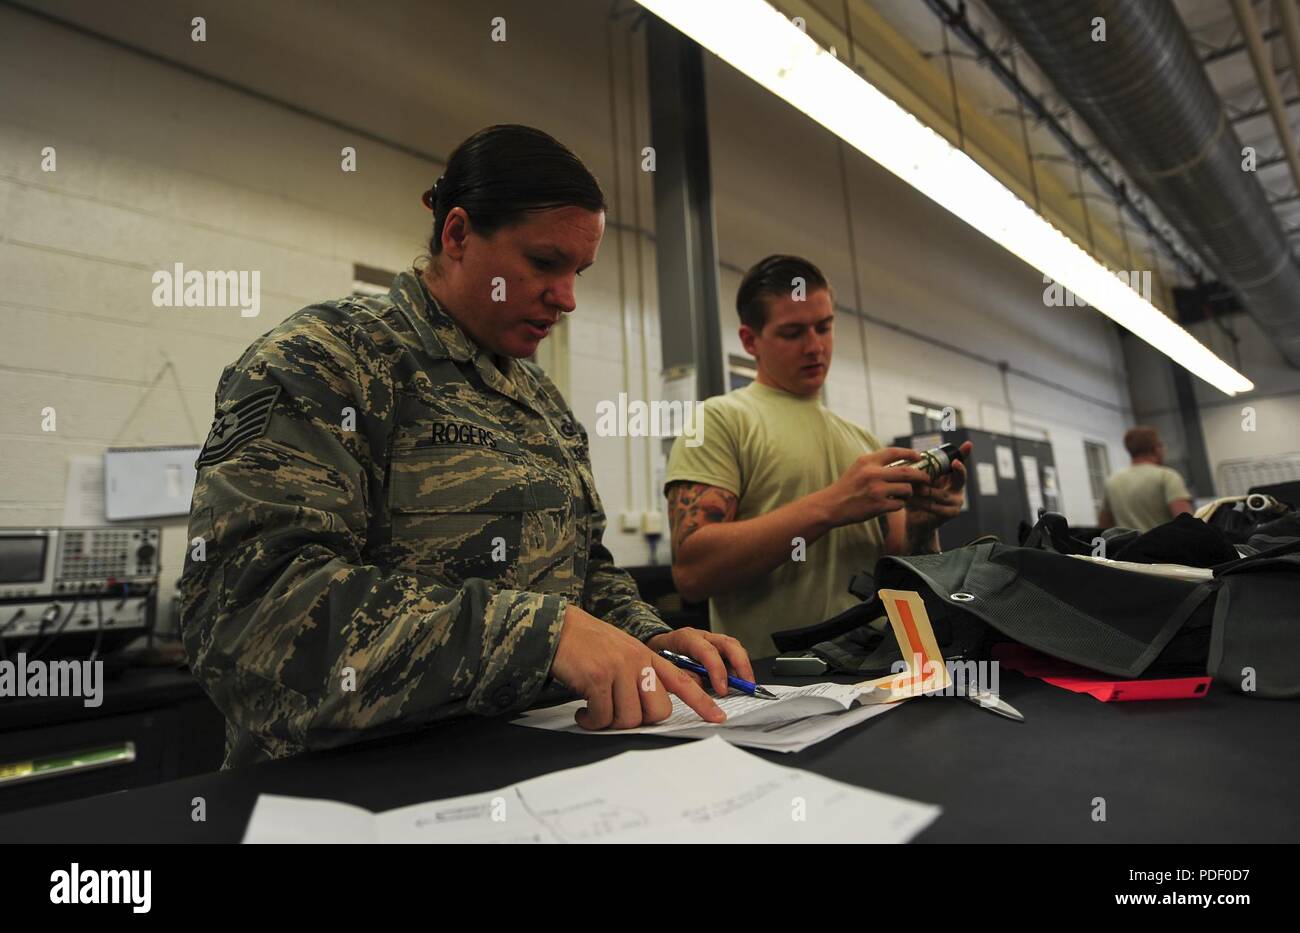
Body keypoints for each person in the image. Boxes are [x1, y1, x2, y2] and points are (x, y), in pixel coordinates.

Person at [180, 124, 751, 768]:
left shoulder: (540, 401)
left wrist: (650, 638)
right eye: (543, 263)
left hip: (532, 770)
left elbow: (582, 570)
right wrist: (541, 635)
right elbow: (252, 617)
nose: (565, 298)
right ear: (456, 235)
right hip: (351, 788)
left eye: (578, 272)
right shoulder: (329, 360)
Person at [663, 255, 971, 658]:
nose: (815, 346)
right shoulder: (721, 421)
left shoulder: (862, 440)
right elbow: (692, 572)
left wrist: (922, 523)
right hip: (777, 684)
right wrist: (833, 504)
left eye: (823, 327)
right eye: (792, 332)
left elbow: (896, 568)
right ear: (749, 340)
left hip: (876, 671)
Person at [1098, 426, 1193, 531]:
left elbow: (1103, 526)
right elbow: (1187, 522)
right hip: (1163, 546)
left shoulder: (1112, 481)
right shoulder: (1167, 476)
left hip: (1129, 546)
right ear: (1156, 448)